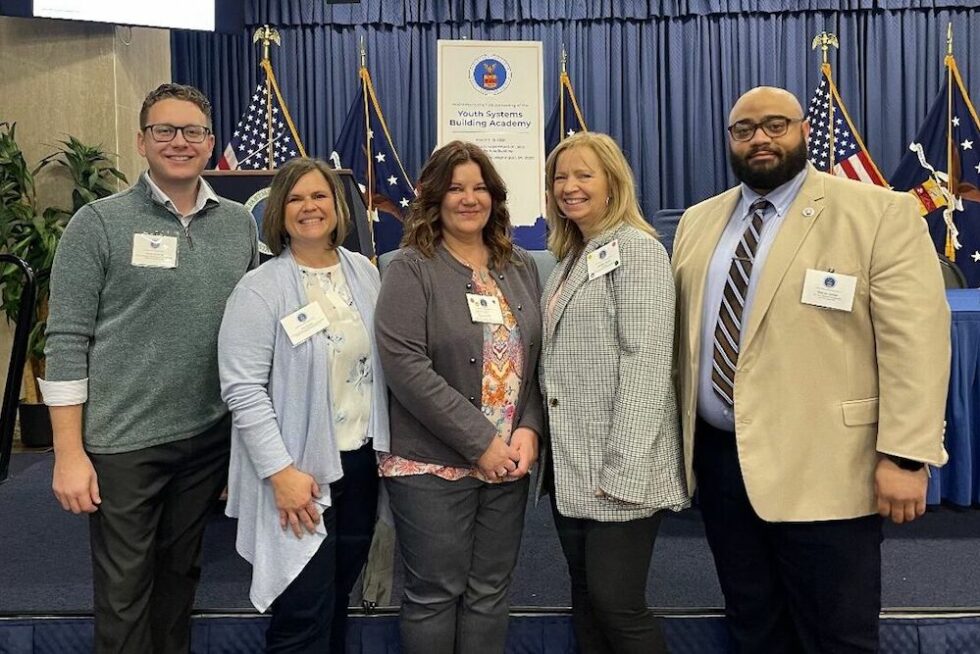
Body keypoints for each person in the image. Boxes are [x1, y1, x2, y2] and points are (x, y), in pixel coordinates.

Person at [671, 86, 950, 653]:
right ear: (730, 141)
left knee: (836, 636)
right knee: (754, 629)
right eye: (744, 129)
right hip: (724, 468)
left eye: (775, 124)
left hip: (828, 467)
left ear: (803, 130)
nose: (760, 138)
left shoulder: (877, 212)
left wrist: (905, 455)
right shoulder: (696, 224)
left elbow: (916, 344)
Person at [43, 83, 258, 653]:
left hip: (206, 437)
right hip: (122, 445)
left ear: (211, 144)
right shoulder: (97, 223)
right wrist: (68, 453)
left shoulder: (240, 225)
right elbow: (64, 340)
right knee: (124, 597)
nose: (179, 142)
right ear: (141, 141)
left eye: (193, 131)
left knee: (179, 584)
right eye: (165, 130)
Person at [374, 140, 543, 654]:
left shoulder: (519, 265)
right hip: (431, 465)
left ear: (494, 195)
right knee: (434, 593)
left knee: (491, 592)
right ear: (433, 197)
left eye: (479, 188)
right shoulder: (409, 268)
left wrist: (529, 431)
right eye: (455, 188)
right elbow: (406, 367)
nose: (469, 199)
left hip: (509, 463)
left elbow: (536, 360)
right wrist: (481, 443)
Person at [218, 157, 389, 652]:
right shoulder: (261, 287)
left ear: (337, 208)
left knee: (336, 602)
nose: (309, 207)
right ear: (278, 212)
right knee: (302, 615)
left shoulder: (363, 273)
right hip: (298, 474)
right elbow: (243, 389)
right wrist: (280, 473)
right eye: (296, 198)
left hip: (360, 466)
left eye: (319, 196)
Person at [539, 131, 689, 654]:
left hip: (619, 466)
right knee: (587, 600)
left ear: (612, 184)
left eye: (584, 175)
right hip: (573, 464)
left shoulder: (638, 250)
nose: (569, 186)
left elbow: (646, 362)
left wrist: (624, 466)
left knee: (617, 603)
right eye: (560, 176)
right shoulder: (570, 257)